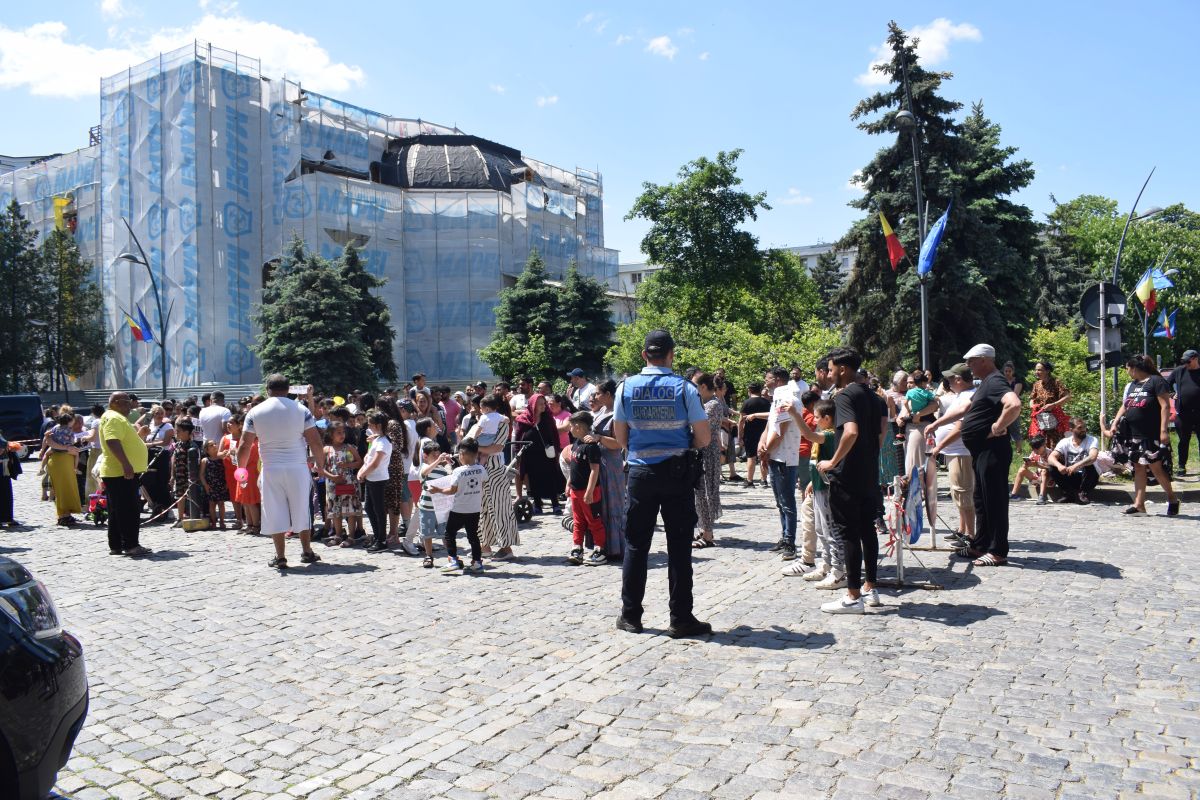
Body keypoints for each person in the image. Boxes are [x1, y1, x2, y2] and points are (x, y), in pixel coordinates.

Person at [613, 328, 713, 639]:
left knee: (636, 545)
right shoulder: (684, 389)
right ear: (671, 355)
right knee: (680, 548)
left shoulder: (625, 387)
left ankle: (631, 616)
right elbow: (704, 437)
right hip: (677, 474)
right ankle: (680, 618)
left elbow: (620, 438)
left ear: (644, 355)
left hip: (641, 474)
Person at [928, 344, 1023, 567]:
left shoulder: (996, 381)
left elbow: (1014, 404)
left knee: (995, 500)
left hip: (992, 451)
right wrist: (937, 424)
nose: (969, 366)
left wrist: (998, 426)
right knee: (981, 499)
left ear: (984, 360)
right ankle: (980, 544)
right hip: (981, 451)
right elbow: (966, 410)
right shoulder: (986, 383)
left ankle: (998, 550)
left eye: (971, 361)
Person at [816, 348, 883, 613]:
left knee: (849, 534)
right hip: (868, 472)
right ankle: (870, 588)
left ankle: (853, 596)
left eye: (831, 369)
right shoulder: (871, 395)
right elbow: (880, 432)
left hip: (848, 475)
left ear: (843, 369)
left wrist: (832, 462)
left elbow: (851, 432)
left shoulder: (844, 396)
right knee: (868, 530)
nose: (829, 373)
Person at [237, 375, 325, 569]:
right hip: (297, 467)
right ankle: (307, 551)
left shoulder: (255, 412)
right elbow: (315, 441)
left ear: (267, 389)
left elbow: (244, 445)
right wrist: (321, 465)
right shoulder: (301, 410)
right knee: (302, 508)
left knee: (274, 511)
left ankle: (280, 556)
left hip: (270, 468)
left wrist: (240, 471)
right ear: (289, 389)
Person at [1106, 355, 1180, 516]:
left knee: (1156, 467)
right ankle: (1139, 505)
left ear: (1134, 368)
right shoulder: (1133, 385)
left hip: (1151, 433)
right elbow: (1126, 405)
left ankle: (1172, 498)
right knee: (1138, 467)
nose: (1127, 372)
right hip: (1134, 435)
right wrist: (1115, 422)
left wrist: (1163, 430)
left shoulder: (1156, 382)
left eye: (1127, 368)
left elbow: (1165, 407)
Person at [97, 392, 151, 557]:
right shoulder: (114, 418)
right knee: (128, 509)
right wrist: (126, 464)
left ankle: (117, 544)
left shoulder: (114, 417)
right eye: (127, 402)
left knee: (117, 510)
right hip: (121, 472)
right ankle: (131, 545)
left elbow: (123, 440)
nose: (131, 405)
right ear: (116, 402)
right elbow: (112, 441)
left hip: (117, 472)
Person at [426, 437, 487, 574]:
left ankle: (453, 559)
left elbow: (452, 490)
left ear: (463, 454)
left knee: (449, 533)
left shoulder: (458, 472)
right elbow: (482, 485)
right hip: (474, 509)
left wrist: (438, 490)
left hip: (459, 509)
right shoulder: (481, 469)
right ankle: (477, 562)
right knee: (473, 536)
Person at [469, 394, 519, 560]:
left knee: (499, 506)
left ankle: (506, 548)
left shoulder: (503, 423)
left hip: (495, 467)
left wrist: (476, 449)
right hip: (480, 467)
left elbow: (496, 447)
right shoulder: (483, 420)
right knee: (481, 507)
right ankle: (485, 546)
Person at [760, 367, 802, 561]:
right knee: (780, 502)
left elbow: (782, 428)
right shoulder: (776, 395)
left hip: (784, 456)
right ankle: (784, 536)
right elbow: (771, 424)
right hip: (775, 454)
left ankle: (790, 542)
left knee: (787, 502)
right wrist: (762, 443)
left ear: (776, 379)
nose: (764, 382)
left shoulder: (786, 396)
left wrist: (767, 449)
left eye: (767, 378)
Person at [930, 364, 976, 538]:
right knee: (957, 493)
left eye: (950, 379)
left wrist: (939, 447)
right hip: (954, 452)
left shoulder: (968, 396)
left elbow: (959, 428)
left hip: (961, 452)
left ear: (958, 379)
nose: (947, 382)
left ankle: (971, 536)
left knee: (963, 493)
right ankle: (962, 529)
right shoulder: (961, 395)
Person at [584, 379, 626, 558]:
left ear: (608, 394)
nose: (595, 396)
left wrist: (598, 438)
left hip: (611, 464)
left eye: (598, 393)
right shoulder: (601, 410)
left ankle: (614, 546)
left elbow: (618, 443)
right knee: (598, 503)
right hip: (598, 461)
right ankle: (600, 544)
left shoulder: (617, 414)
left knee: (612, 502)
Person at [565, 411, 607, 566]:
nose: (569, 428)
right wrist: (569, 483)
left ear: (578, 427)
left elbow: (595, 470)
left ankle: (599, 550)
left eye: (571, 425)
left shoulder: (591, 447)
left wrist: (589, 491)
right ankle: (577, 548)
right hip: (576, 491)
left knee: (594, 521)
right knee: (578, 521)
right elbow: (573, 466)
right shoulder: (576, 443)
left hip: (589, 491)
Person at [691, 373, 727, 548]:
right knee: (700, 493)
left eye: (695, 386)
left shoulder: (712, 405)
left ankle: (708, 534)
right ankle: (704, 528)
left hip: (707, 453)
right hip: (704, 451)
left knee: (705, 493)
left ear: (703, 387)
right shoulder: (708, 403)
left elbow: (698, 427)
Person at [513, 393, 565, 514]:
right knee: (534, 479)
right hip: (530, 454)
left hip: (547, 453)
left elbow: (555, 436)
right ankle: (537, 504)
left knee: (550, 477)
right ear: (533, 405)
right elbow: (518, 436)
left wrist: (557, 450)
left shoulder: (548, 418)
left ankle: (555, 504)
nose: (543, 406)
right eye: (540, 404)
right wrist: (517, 452)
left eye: (544, 403)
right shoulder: (523, 419)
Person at [320, 422, 363, 547]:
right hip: (333, 484)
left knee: (350, 509)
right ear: (331, 434)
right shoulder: (326, 449)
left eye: (343, 432)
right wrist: (333, 477)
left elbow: (359, 462)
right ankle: (338, 535)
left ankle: (351, 536)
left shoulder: (349, 447)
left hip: (347, 482)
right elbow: (321, 468)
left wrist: (347, 465)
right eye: (338, 432)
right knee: (335, 510)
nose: (342, 435)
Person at [358, 411, 394, 553]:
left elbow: (375, 463)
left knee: (378, 510)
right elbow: (368, 458)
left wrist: (362, 472)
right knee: (369, 508)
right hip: (371, 478)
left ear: (378, 425)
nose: (368, 426)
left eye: (370, 424)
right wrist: (363, 471)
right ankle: (377, 536)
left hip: (378, 478)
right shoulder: (379, 439)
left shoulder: (383, 442)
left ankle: (382, 540)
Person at [1047, 417, 1100, 504]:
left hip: (1088, 477)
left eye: (1084, 427)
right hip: (1071, 475)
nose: (1083, 430)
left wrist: (1076, 465)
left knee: (1090, 464)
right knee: (1052, 467)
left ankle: (1083, 494)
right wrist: (1059, 466)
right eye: (1079, 428)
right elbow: (1051, 457)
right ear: (1071, 430)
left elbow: (1093, 456)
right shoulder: (1065, 442)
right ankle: (1068, 494)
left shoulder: (1092, 440)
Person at [416, 440, 451, 568]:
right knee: (427, 533)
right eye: (434, 455)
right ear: (425, 456)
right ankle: (428, 556)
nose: (437, 457)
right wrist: (438, 461)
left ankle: (451, 556)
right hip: (427, 507)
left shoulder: (442, 470)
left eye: (438, 455)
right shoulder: (424, 467)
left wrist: (449, 462)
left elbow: (451, 479)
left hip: (441, 507)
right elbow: (425, 473)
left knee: (445, 533)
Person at [43, 412, 82, 526]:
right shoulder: (68, 431)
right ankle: (63, 516)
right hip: (63, 460)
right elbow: (70, 443)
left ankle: (65, 514)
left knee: (62, 488)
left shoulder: (53, 429)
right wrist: (70, 447)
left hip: (56, 459)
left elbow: (48, 442)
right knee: (66, 487)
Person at [1167, 349, 1199, 477]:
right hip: (1184, 413)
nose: (1186, 364)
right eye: (1184, 361)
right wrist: (1172, 394)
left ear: (1196, 358)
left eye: (1188, 361)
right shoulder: (1179, 371)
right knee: (1183, 441)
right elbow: (1165, 384)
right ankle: (1181, 466)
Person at [1029, 360, 1071, 447]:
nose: (1037, 372)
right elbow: (1032, 399)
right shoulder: (1037, 384)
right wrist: (1032, 405)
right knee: (1041, 443)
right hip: (1040, 418)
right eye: (1036, 370)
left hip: (1054, 418)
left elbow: (1067, 396)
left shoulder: (1056, 382)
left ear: (1047, 371)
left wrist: (1053, 405)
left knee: (1055, 444)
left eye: (1040, 370)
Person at [738, 381, 771, 488]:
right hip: (764, 432)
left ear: (749, 391)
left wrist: (740, 435)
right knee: (763, 456)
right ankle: (764, 480)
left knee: (750, 457)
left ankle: (750, 480)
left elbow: (741, 421)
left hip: (750, 433)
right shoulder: (766, 402)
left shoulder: (746, 403)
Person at [232, 413, 261, 534]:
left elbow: (248, 458)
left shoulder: (254, 442)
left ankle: (255, 525)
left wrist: (235, 454)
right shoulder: (243, 441)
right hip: (243, 472)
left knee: (251, 501)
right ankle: (249, 524)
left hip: (250, 473)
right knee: (244, 500)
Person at [1009, 435, 1050, 504]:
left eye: (1037, 448)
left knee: (1044, 471)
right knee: (1021, 470)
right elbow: (1025, 467)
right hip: (1038, 478)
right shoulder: (1034, 453)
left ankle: (1042, 496)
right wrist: (1026, 464)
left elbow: (1052, 468)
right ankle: (1014, 494)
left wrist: (1037, 464)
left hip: (1048, 479)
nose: (1035, 451)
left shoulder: (1050, 453)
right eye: (1033, 449)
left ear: (1044, 446)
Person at [200, 440, 230, 529]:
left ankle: (222, 521)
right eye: (211, 445)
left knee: (221, 504)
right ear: (207, 449)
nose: (214, 446)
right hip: (211, 485)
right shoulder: (205, 460)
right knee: (212, 504)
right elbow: (201, 474)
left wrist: (227, 483)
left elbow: (227, 471)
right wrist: (205, 485)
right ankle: (213, 522)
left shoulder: (221, 459)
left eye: (215, 444)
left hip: (221, 484)